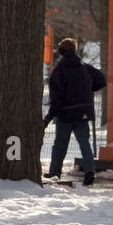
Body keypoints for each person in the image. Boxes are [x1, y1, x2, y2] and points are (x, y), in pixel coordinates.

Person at [43, 38, 105, 186]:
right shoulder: (85, 67)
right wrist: (89, 89)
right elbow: (101, 79)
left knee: (60, 145)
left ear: (61, 51)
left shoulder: (58, 71)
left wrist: (48, 118)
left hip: (65, 114)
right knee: (85, 143)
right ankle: (90, 172)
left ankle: (55, 172)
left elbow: (56, 99)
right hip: (83, 112)